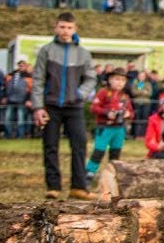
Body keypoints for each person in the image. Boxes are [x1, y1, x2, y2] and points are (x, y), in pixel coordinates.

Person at [31, 12, 96, 200]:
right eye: (62, 27)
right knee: (50, 145)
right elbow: (37, 79)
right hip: (50, 105)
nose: (65, 31)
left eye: (69, 27)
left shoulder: (83, 53)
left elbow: (91, 78)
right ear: (56, 28)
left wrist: (80, 94)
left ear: (74, 29)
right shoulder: (46, 51)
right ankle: (53, 186)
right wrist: (38, 107)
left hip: (74, 106)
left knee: (79, 144)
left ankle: (79, 186)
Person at [86, 67, 134, 183]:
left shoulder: (125, 96)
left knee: (115, 153)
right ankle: (89, 174)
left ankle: (112, 175)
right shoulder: (103, 92)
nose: (119, 82)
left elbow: (132, 112)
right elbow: (93, 107)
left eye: (122, 80)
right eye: (117, 79)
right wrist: (107, 112)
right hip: (105, 127)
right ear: (110, 80)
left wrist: (128, 114)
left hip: (119, 129)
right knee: (99, 151)